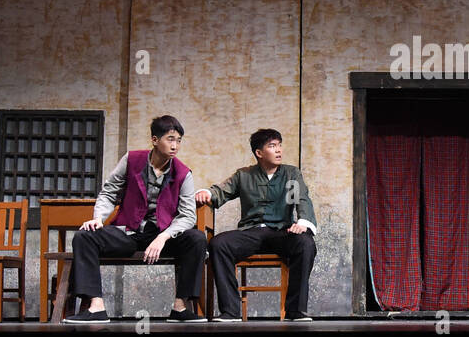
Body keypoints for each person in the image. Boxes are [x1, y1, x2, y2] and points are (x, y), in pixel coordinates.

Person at [63, 115, 208, 323]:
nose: (175, 146)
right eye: (170, 139)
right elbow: (109, 192)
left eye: (178, 140)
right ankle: (96, 306)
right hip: (129, 233)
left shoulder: (183, 173)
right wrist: (98, 218)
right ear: (155, 140)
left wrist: (163, 237)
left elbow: (187, 215)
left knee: (197, 239)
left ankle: (180, 306)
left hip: (161, 237)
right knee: (84, 236)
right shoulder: (132, 160)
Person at [195, 129, 317, 322]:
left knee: (305, 243)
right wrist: (207, 193)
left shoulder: (290, 174)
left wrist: (303, 222)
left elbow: (300, 199)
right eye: (272, 146)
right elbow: (222, 191)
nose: (278, 150)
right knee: (219, 244)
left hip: (280, 232)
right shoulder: (244, 175)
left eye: (279, 145)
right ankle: (230, 311)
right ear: (259, 153)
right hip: (250, 232)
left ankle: (295, 310)